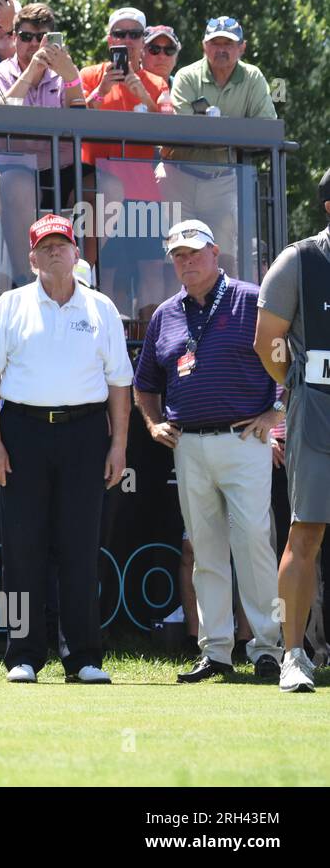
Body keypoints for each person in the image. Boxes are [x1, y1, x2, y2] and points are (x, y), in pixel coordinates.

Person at [0, 214, 133, 684]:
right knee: (22, 546)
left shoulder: (101, 307)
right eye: (45, 247)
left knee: (80, 547)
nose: (55, 253)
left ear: (76, 253)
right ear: (31, 257)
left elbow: (119, 385)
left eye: (62, 245)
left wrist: (118, 445)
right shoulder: (10, 305)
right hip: (22, 431)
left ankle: (83, 657)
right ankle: (23, 655)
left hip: (85, 434)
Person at [132, 219, 282, 683]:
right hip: (190, 444)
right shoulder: (166, 314)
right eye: (178, 255)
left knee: (254, 543)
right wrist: (153, 422)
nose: (187, 261)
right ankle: (215, 650)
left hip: (245, 440)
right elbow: (145, 384)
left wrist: (275, 412)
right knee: (204, 548)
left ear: (216, 253)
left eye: (195, 252)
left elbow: (287, 359)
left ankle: (267, 649)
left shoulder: (252, 299)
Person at [255, 169, 330, 692]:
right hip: (318, 410)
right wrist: (300, 387)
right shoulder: (299, 260)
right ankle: (294, 655)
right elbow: (268, 345)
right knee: (305, 532)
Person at [159, 17, 277, 276]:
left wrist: (212, 128)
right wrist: (233, 131)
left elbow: (266, 128)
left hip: (223, 179)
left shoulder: (253, 77)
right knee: (177, 255)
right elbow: (183, 128)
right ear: (204, 46)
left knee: (224, 258)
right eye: (215, 43)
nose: (221, 49)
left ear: (242, 48)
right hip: (180, 176)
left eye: (228, 43)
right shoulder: (187, 76)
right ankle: (175, 315)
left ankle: (226, 315)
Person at [0, 3, 88, 286]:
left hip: (58, 166)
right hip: (9, 168)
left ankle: (81, 273)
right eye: (26, 36)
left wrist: (72, 76)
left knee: (108, 188)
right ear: (14, 37)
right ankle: (25, 279)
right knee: (20, 186)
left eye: (41, 38)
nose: (32, 44)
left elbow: (80, 120)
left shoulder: (66, 74)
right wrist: (32, 71)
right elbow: (0, 120)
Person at [79, 7, 170, 314]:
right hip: (102, 194)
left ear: (143, 41)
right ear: (109, 39)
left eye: (134, 34)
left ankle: (152, 348)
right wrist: (102, 90)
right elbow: (73, 119)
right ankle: (111, 351)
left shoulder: (156, 83)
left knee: (152, 271)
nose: (127, 40)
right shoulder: (90, 75)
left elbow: (167, 129)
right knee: (109, 274)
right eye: (120, 34)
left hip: (145, 194)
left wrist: (142, 94)